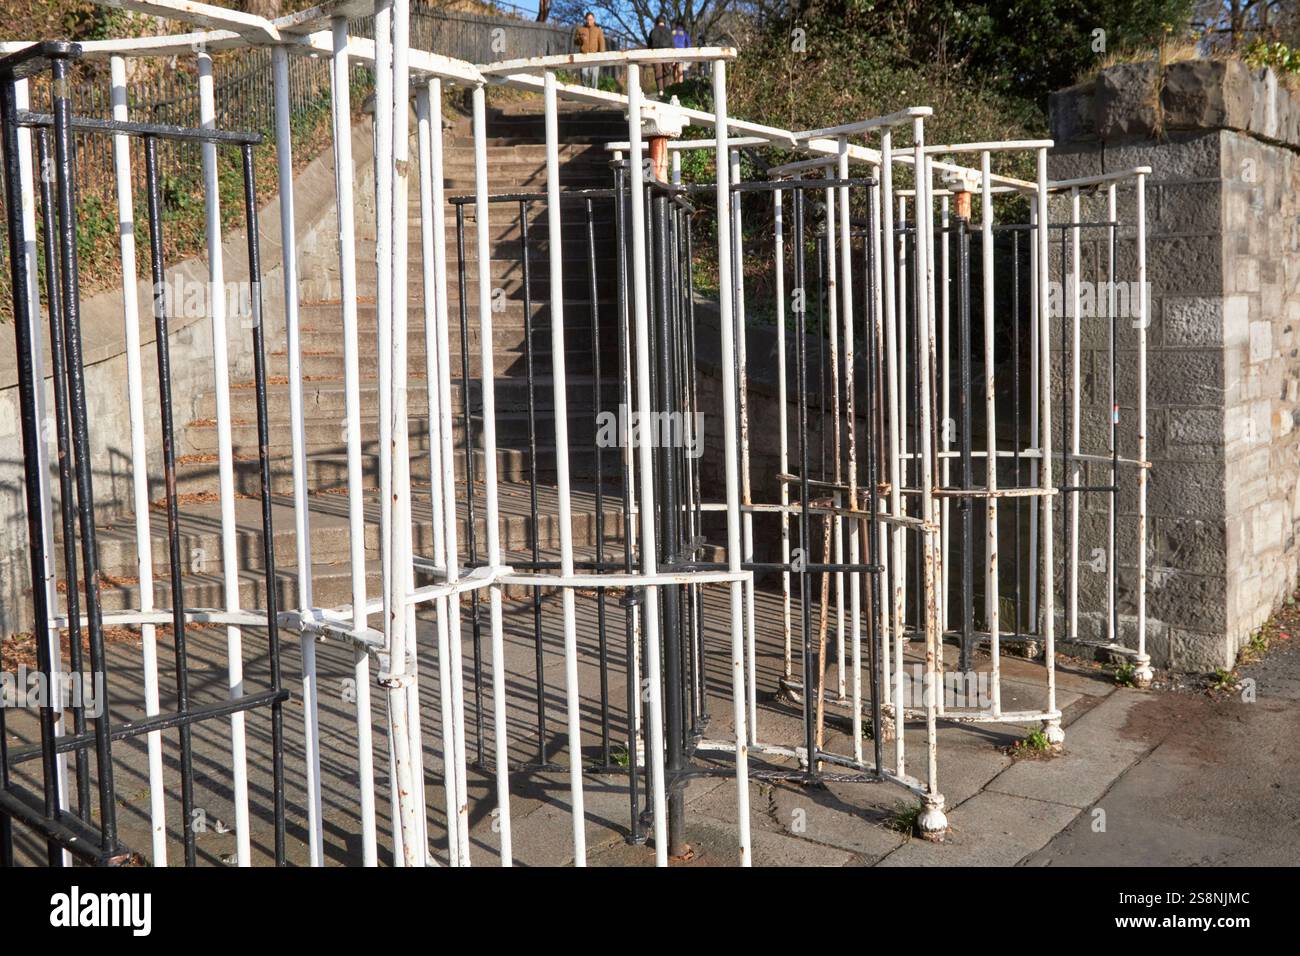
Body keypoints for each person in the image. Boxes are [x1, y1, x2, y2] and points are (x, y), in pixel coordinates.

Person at [573, 11, 606, 88]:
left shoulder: (598, 30)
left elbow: (602, 42)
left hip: (595, 56)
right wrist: (580, 39)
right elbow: (575, 42)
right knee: (584, 73)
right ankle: (586, 91)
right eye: (587, 19)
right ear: (585, 20)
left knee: (594, 75)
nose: (589, 21)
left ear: (594, 20)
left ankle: (594, 92)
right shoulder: (580, 29)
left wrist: (602, 54)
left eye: (591, 19)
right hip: (584, 56)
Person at [648, 14, 674, 96]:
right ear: (664, 22)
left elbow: (649, 45)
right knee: (667, 72)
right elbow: (672, 44)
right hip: (667, 53)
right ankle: (666, 91)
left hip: (655, 53)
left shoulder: (653, 31)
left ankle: (660, 90)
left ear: (656, 22)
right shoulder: (669, 31)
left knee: (658, 72)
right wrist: (673, 58)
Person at [671, 19, 689, 85]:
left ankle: (675, 83)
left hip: (673, 52)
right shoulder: (684, 33)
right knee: (680, 69)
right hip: (681, 52)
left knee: (674, 68)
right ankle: (680, 84)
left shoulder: (672, 32)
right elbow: (688, 43)